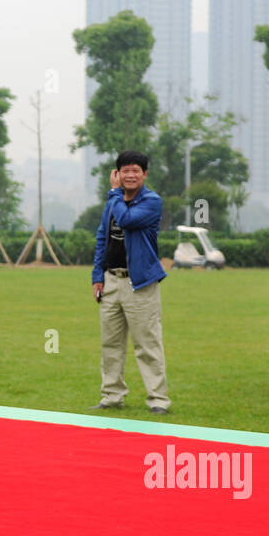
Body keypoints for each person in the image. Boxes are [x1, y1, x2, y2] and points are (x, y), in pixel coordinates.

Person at [90, 151, 170, 414]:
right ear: (118, 173)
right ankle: (112, 396)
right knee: (110, 344)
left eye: (136, 170)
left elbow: (126, 219)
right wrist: (97, 277)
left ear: (145, 174)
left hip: (140, 283)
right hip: (111, 281)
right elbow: (103, 238)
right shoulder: (113, 201)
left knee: (147, 344)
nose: (131, 175)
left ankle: (158, 399)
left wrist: (114, 193)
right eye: (125, 170)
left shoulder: (151, 201)